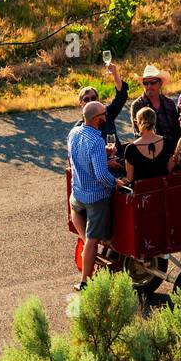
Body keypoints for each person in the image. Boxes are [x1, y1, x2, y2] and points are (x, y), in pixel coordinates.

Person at [67, 100, 127, 288]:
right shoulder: (96, 141)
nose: (106, 117)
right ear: (95, 119)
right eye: (103, 115)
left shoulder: (74, 132)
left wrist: (104, 154)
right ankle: (85, 281)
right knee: (93, 240)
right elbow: (101, 175)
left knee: (74, 208)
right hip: (95, 197)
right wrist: (115, 183)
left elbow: (78, 159)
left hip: (78, 193)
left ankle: (84, 241)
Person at [77, 59, 127, 168]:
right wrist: (107, 164)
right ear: (81, 103)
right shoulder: (79, 128)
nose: (91, 101)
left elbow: (121, 96)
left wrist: (115, 74)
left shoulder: (107, 114)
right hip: (100, 170)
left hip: (118, 162)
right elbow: (83, 159)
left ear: (98, 100)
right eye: (86, 99)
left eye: (94, 98)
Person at [130, 65, 181, 148]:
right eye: (146, 83)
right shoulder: (137, 105)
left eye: (153, 83)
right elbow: (138, 134)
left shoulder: (169, 103)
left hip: (171, 149)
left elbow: (177, 129)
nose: (149, 86)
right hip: (150, 150)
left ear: (160, 83)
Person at [124, 107, 170, 184]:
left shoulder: (131, 149)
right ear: (154, 121)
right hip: (163, 189)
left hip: (142, 193)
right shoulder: (167, 142)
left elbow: (130, 179)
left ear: (138, 123)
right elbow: (170, 170)